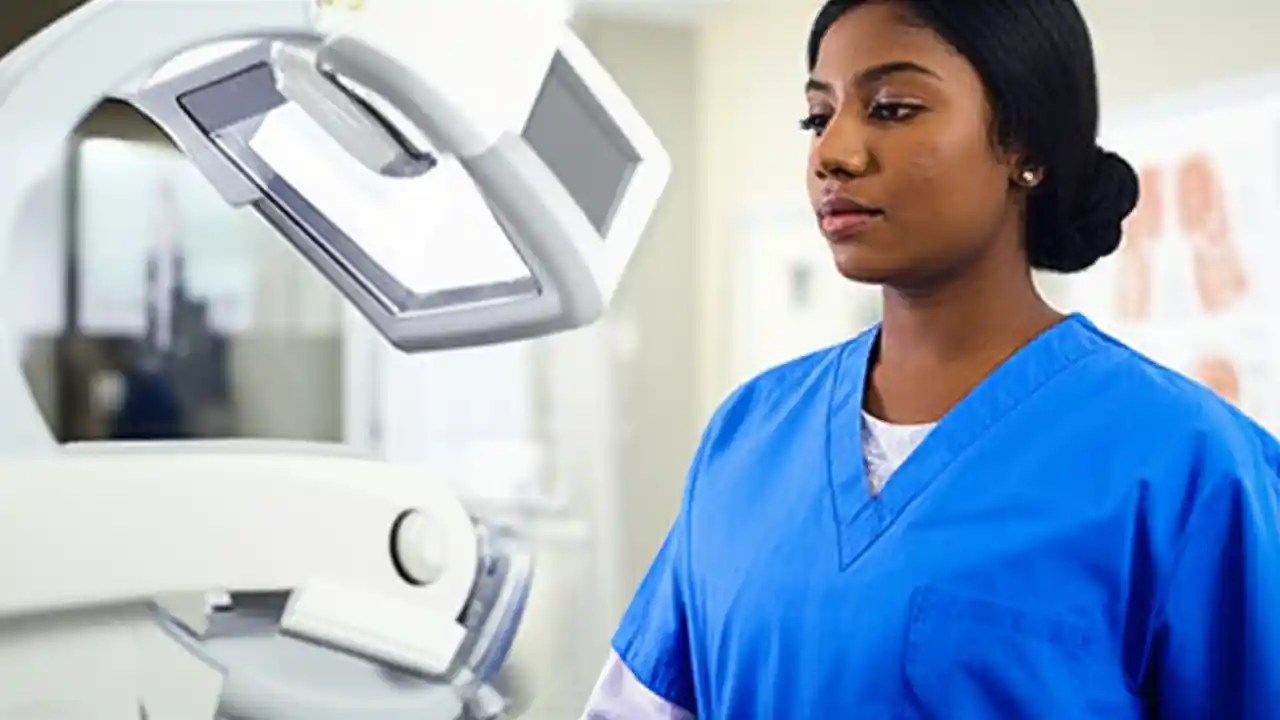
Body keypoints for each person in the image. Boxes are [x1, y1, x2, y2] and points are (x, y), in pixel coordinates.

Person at [580, 0, 1280, 718]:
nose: (833, 153)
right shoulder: (748, 435)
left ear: (1024, 146)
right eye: (818, 118)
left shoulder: (1189, 466)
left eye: (891, 108)